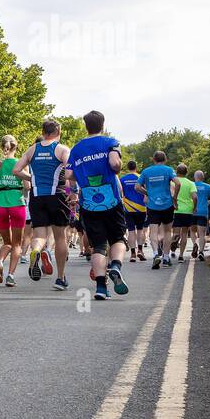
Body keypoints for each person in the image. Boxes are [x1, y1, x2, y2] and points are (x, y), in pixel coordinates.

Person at [66, 110, 128, 300]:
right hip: (111, 199)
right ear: (102, 125)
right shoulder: (110, 142)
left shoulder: (76, 149)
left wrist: (84, 176)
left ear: (86, 126)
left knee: (99, 245)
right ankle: (115, 266)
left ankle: (101, 288)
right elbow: (115, 163)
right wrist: (115, 167)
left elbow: (69, 176)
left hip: (89, 202)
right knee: (118, 238)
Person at [17, 120, 72, 290]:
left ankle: (36, 251)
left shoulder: (32, 149)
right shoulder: (62, 149)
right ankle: (60, 278)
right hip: (57, 195)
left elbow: (16, 170)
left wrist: (32, 179)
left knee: (39, 235)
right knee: (60, 237)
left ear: (43, 131)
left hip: (37, 195)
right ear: (58, 131)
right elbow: (69, 171)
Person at [0, 135, 27, 288]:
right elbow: (28, 186)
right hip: (17, 203)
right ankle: (10, 275)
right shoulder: (20, 163)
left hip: (0, 205)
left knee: (7, 242)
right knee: (17, 244)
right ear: (15, 147)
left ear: (1, 146)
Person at [138, 151, 176, 269]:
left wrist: (147, 193)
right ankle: (166, 257)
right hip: (167, 204)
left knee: (153, 231)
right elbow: (177, 183)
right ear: (165, 159)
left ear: (153, 159)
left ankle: (155, 254)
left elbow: (137, 186)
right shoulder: (169, 170)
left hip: (152, 206)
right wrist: (174, 198)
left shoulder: (146, 171)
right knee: (168, 232)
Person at [118, 159, 148, 263]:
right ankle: (140, 250)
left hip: (128, 208)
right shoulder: (141, 177)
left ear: (128, 167)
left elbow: (120, 193)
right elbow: (146, 192)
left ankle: (133, 254)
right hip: (141, 208)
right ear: (136, 167)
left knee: (131, 231)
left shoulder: (123, 179)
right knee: (140, 230)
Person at [171, 163, 197, 260]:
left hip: (176, 209)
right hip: (187, 210)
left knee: (175, 233)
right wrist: (194, 208)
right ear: (187, 172)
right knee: (185, 234)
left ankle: (174, 244)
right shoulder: (191, 183)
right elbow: (195, 197)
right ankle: (181, 256)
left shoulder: (173, 182)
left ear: (176, 172)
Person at [192, 170, 210, 261]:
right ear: (203, 177)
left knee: (192, 231)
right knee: (202, 234)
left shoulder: (191, 185)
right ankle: (201, 252)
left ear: (195, 177)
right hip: (203, 212)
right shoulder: (207, 186)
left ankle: (195, 244)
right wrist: (207, 202)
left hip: (192, 211)